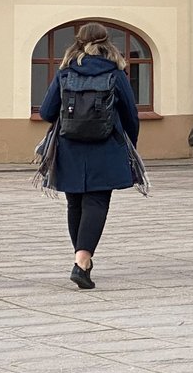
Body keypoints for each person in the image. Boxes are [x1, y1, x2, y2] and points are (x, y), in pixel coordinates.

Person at [38, 22, 141, 289]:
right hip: (106, 147)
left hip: (69, 147)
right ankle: (82, 261)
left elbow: (47, 112)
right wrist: (130, 146)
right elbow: (131, 114)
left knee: (75, 204)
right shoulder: (116, 73)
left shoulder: (65, 73)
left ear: (78, 42)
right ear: (108, 43)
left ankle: (81, 259)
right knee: (96, 202)